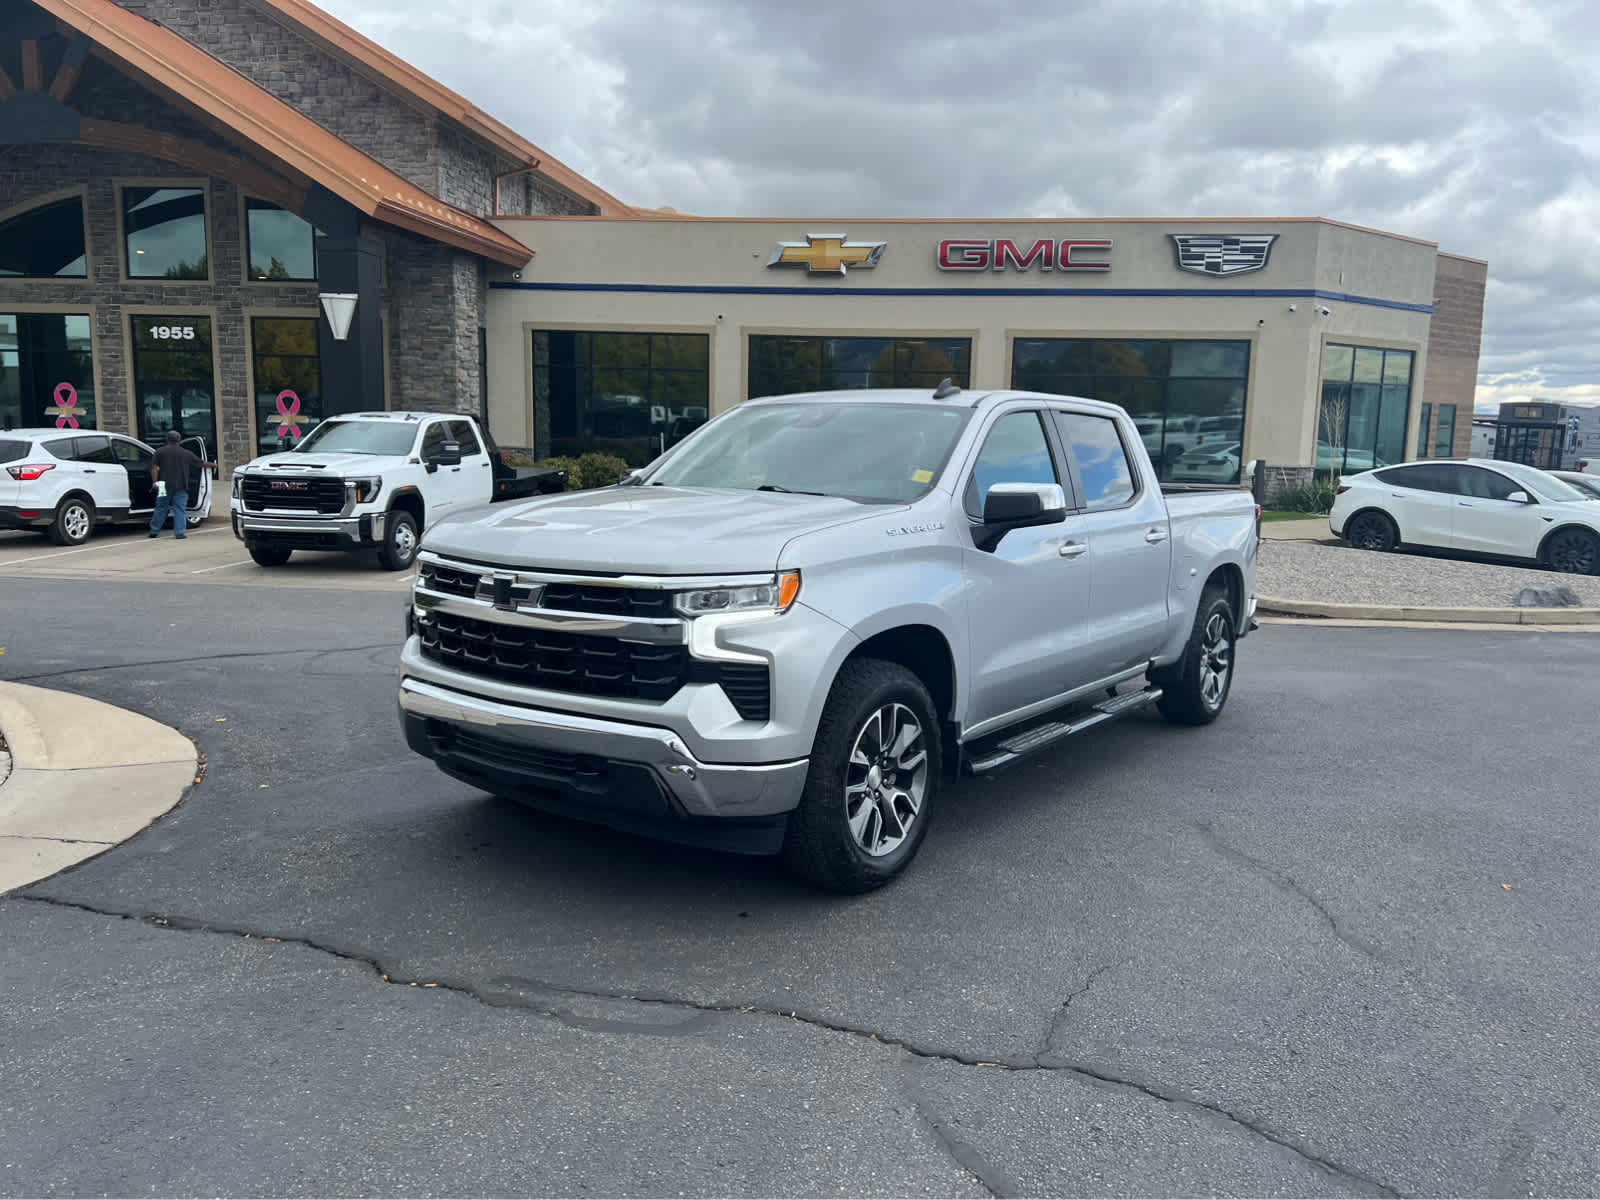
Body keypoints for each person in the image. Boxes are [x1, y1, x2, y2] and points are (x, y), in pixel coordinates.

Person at [149, 431, 216, 539]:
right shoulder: (186, 453)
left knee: (161, 508)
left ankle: (154, 530)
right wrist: (214, 465)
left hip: (163, 486)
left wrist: (154, 482)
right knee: (180, 509)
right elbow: (201, 463)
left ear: (168, 439)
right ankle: (180, 533)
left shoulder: (159, 452)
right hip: (181, 486)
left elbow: (155, 468)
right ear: (179, 440)